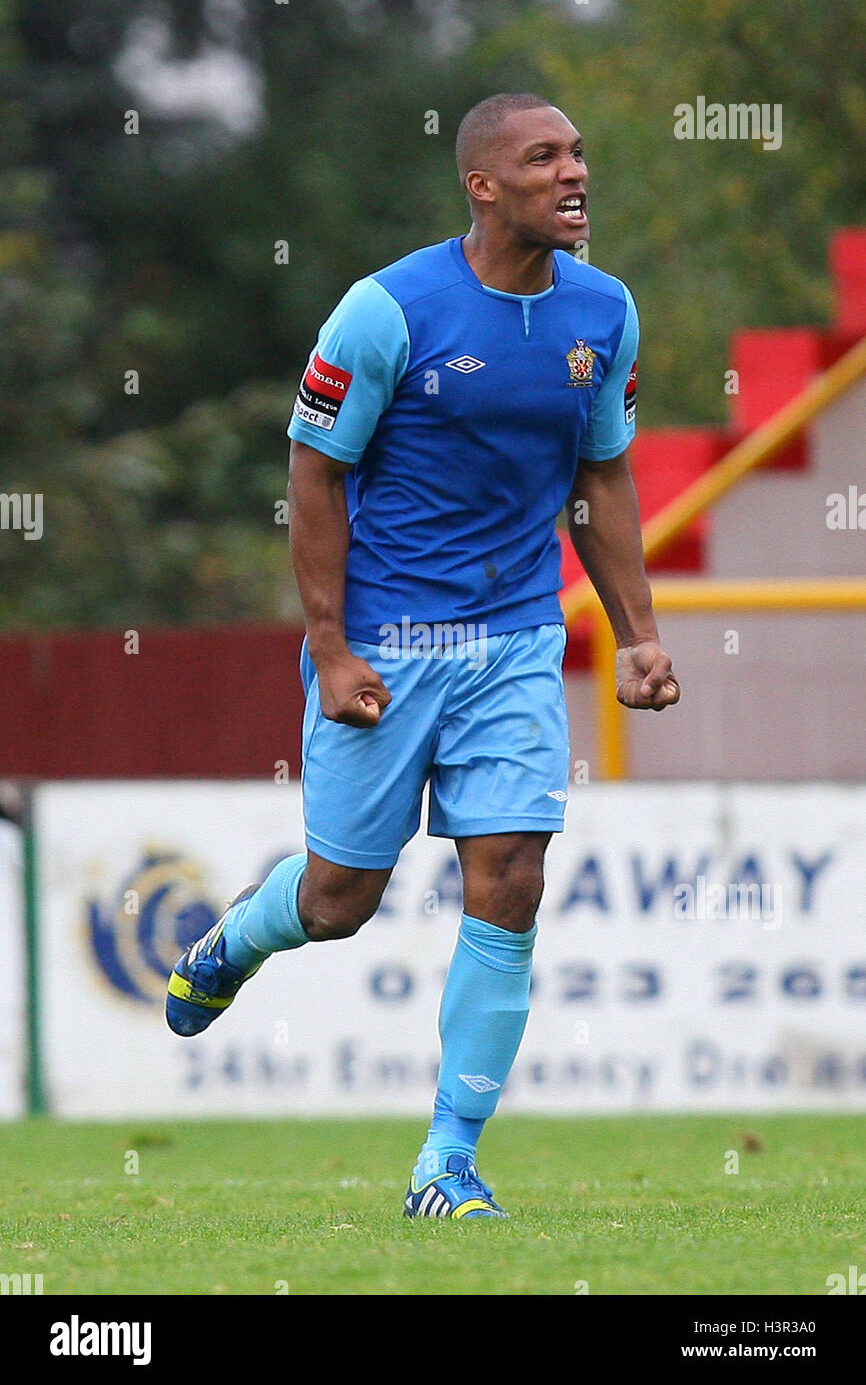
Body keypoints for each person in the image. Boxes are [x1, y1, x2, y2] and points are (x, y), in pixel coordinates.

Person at [166, 92, 680, 1220]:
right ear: (482, 185)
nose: (575, 174)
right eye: (543, 158)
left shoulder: (606, 311)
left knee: (510, 881)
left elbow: (599, 480)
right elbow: (311, 473)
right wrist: (331, 644)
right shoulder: (385, 311)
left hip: (513, 641)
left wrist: (637, 632)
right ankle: (235, 941)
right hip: (386, 647)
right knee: (340, 899)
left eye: (580, 153)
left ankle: (445, 1163)